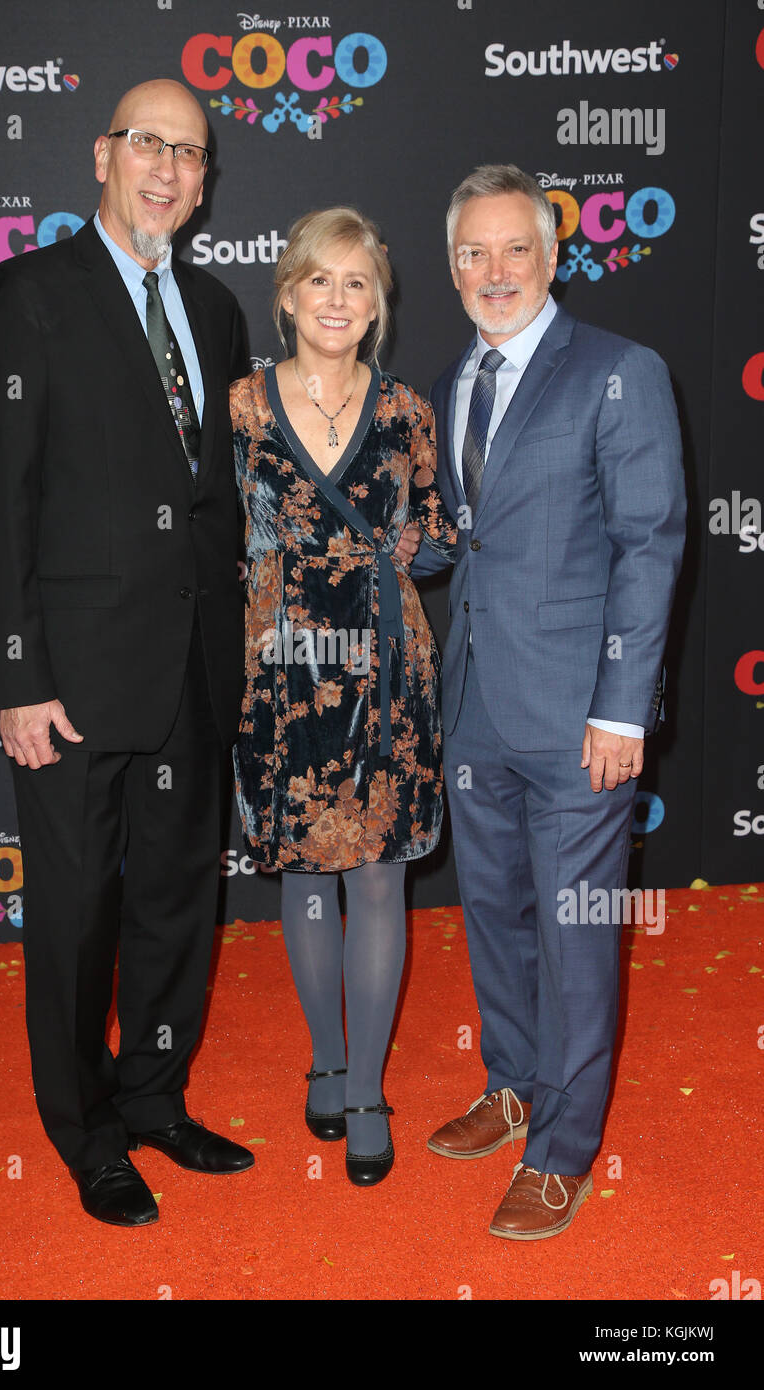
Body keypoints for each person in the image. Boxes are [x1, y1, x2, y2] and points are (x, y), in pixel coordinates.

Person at [0, 80, 255, 1227]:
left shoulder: (215, 310)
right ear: (101, 156)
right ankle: (85, 1133)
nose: (169, 169)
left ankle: (155, 1097)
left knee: (177, 901)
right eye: (148, 145)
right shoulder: (29, 297)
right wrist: (16, 679)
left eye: (190, 153)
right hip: (71, 681)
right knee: (77, 915)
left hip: (188, 668)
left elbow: (212, 502)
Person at [410, 164, 685, 1238]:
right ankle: (513, 1082)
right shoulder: (450, 380)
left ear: (552, 254)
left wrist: (621, 711)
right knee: (495, 915)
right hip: (475, 702)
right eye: (471, 252)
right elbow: (453, 537)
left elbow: (649, 542)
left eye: (512, 248)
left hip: (580, 715)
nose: (493, 271)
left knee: (575, 932)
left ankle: (562, 1146)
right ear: (451, 266)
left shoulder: (619, 372)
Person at [230, 208, 458, 1186]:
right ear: (287, 295)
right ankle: (323, 1054)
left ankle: (365, 1086)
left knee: (376, 878)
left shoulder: (407, 410)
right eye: (319, 280)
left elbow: (442, 534)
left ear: (378, 305)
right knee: (305, 877)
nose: (337, 299)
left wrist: (423, 544)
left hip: (383, 667)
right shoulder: (239, 405)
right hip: (281, 666)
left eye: (356, 283)